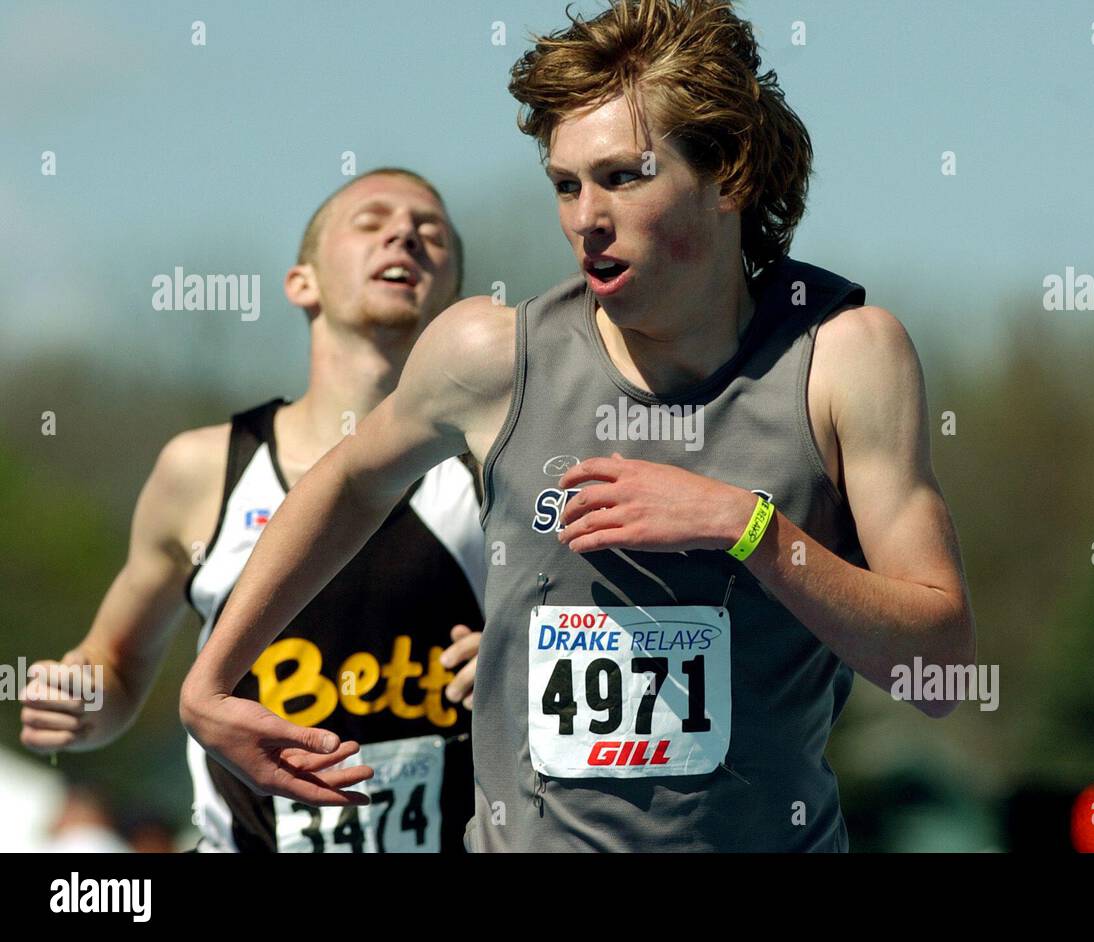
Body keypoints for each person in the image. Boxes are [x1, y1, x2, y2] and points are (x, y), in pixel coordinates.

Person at [181, 0, 976, 852]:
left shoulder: (843, 358)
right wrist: (212, 682)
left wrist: (745, 529)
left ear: (728, 175)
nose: (585, 217)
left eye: (624, 176)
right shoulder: (490, 357)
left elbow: (940, 670)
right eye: (566, 184)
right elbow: (347, 481)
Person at [21, 168, 486, 853]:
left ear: (455, 300)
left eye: (431, 232)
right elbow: (115, 666)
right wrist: (80, 699)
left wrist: (522, 653)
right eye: (372, 221)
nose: (404, 235)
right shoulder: (203, 470)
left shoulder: (491, 462)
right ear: (303, 282)